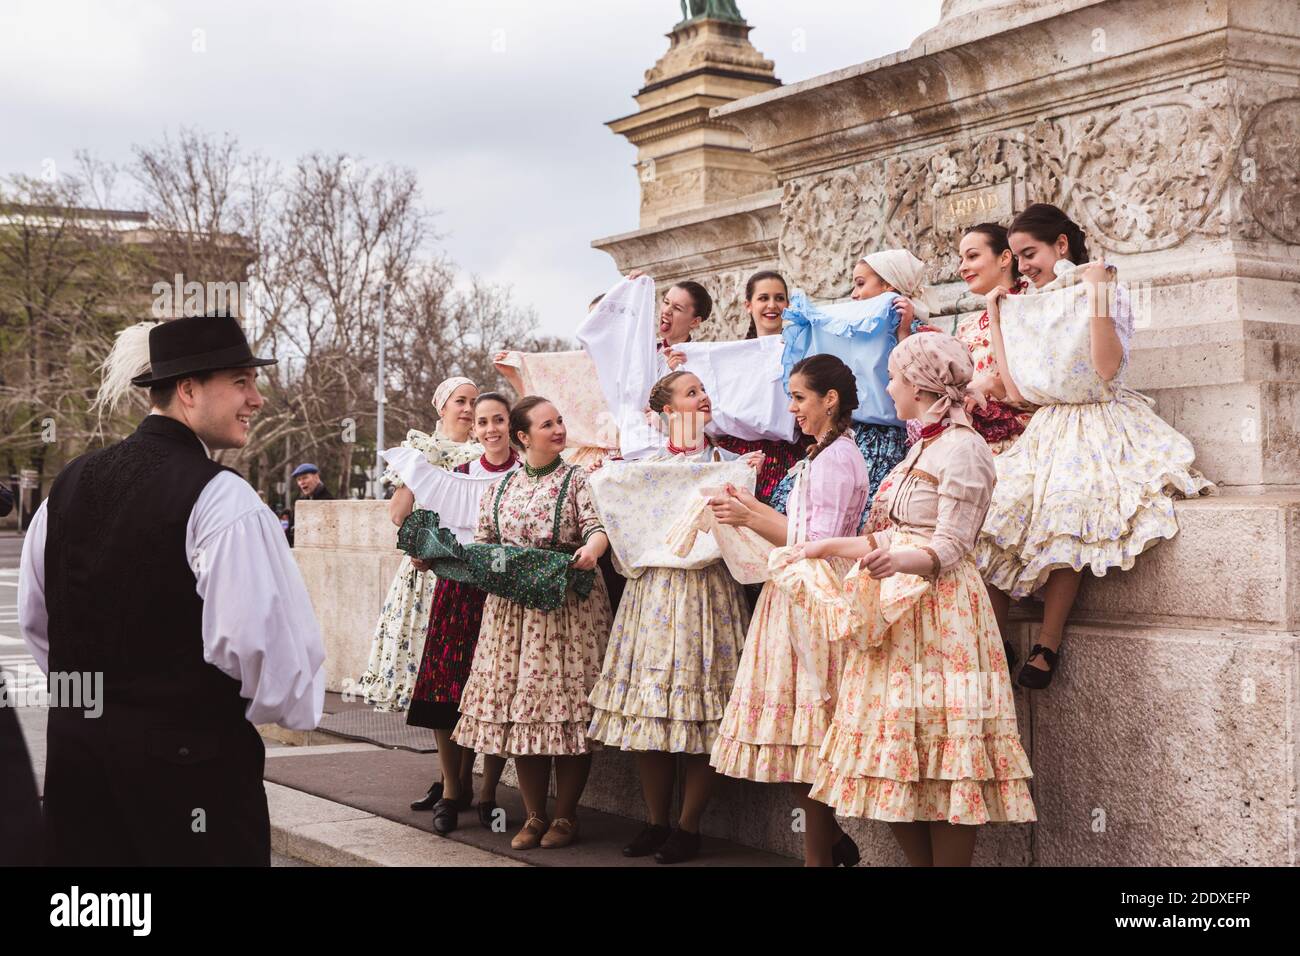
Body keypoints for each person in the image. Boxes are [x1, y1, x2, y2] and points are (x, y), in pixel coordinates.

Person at [18, 315, 326, 865]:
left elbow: (38, 624)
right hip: (190, 776)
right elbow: (269, 650)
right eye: (241, 381)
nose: (257, 399)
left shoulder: (66, 485)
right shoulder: (223, 500)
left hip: (76, 765)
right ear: (188, 390)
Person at [793, 332, 1035, 867]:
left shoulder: (965, 449)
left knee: (948, 763)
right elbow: (892, 535)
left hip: (943, 615)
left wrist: (896, 561)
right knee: (896, 757)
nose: (888, 386)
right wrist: (827, 546)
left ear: (922, 387)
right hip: (895, 619)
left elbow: (952, 545)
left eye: (896, 378)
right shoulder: (919, 445)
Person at [977, 203, 1214, 688]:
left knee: (1071, 515)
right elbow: (1017, 390)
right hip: (1047, 426)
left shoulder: (1103, 293)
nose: (1022, 266)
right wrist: (997, 319)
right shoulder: (1029, 304)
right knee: (991, 516)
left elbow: (1106, 370)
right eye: (1017, 257)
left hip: (1099, 423)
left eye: (1029, 253)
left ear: (1060, 245)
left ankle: (1049, 642)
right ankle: (995, 640)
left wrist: (1099, 298)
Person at [587, 371, 761, 864]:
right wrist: (608, 474)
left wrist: (745, 479)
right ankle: (655, 819)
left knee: (704, 711)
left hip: (710, 591)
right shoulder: (641, 469)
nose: (703, 397)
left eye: (704, 390)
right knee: (651, 711)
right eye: (691, 392)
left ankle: (688, 826)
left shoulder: (730, 464)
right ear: (665, 412)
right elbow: (614, 516)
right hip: (655, 597)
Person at [708, 354, 871, 867]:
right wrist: (749, 508)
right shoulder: (823, 455)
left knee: (811, 740)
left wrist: (749, 519)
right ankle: (828, 847)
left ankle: (820, 856)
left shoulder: (839, 458)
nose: (792, 408)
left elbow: (816, 543)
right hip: (799, 591)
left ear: (831, 400)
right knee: (802, 744)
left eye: (800, 397)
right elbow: (802, 529)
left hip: (815, 594)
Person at [452, 396, 612, 850]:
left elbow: (598, 527)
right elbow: (483, 543)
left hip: (567, 608)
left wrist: (592, 551)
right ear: (524, 437)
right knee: (522, 713)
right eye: (548, 425)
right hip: (514, 615)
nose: (559, 430)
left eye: (560, 421)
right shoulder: (501, 488)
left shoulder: (578, 478)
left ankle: (565, 817)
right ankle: (535, 816)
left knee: (568, 712)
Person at [404, 392, 519, 835]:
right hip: (456, 593)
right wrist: (423, 551)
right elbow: (426, 527)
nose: (490, 429)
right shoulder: (457, 475)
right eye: (483, 422)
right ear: (474, 431)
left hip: (503, 595)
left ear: (512, 426)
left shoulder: (522, 475)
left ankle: (489, 790)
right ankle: (453, 789)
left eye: (499, 421)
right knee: (443, 689)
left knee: (495, 691)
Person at [357, 378, 483, 714]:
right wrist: (417, 472)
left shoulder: (485, 454)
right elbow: (398, 514)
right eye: (461, 401)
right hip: (425, 569)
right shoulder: (421, 451)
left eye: (474, 401)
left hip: (468, 568)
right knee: (430, 667)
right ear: (442, 408)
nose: (469, 409)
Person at [953, 223, 1035, 454]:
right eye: (961, 259)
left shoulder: (1033, 310)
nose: (962, 268)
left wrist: (992, 385)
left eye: (972, 256)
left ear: (1005, 258)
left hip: (1022, 440)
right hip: (970, 438)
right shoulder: (967, 325)